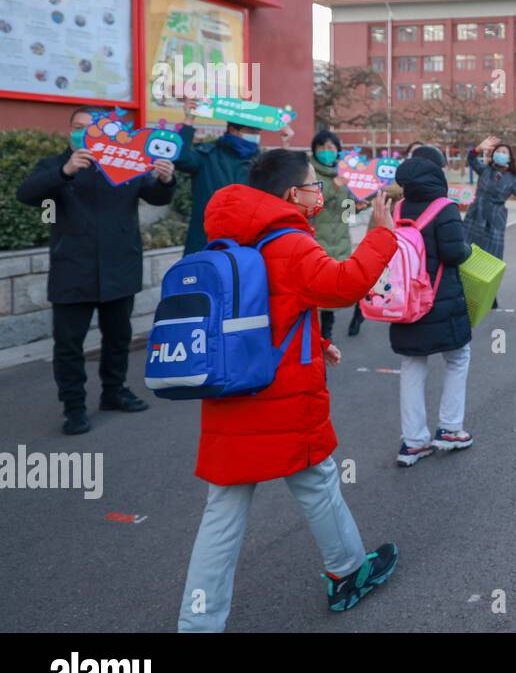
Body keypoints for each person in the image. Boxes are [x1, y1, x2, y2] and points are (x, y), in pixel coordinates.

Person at [177, 149, 400, 632]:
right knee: (318, 482)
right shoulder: (289, 244)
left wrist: (316, 342)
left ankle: (198, 623)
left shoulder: (229, 242)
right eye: (311, 186)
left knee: (223, 514)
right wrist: (381, 233)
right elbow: (345, 285)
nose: (318, 194)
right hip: (284, 400)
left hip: (231, 396)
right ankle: (346, 573)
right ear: (290, 195)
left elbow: (263, 314)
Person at [16, 106, 177, 434]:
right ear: (70, 131)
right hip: (72, 270)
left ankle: (114, 392)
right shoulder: (55, 165)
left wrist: (165, 179)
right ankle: (74, 407)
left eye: (92, 127)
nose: (85, 132)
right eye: (78, 127)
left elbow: (156, 196)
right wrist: (66, 170)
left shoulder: (123, 164)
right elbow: (28, 194)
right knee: (68, 344)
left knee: (118, 338)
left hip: (120, 267)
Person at [389, 149, 475, 464]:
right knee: (458, 357)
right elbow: (455, 254)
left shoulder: (398, 208)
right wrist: (467, 248)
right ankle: (450, 429)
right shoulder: (444, 208)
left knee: (412, 364)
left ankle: (413, 442)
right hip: (441, 299)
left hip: (404, 300)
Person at [175, 103, 293, 255]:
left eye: (258, 131)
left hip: (246, 248)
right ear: (233, 130)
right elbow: (180, 159)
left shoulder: (260, 163)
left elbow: (282, 186)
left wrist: (285, 143)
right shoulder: (208, 155)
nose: (255, 135)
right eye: (250, 130)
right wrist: (189, 120)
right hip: (206, 245)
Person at [464, 136, 516, 307]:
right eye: (498, 151)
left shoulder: (513, 179)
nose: (500, 154)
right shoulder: (484, 169)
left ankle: (488, 296)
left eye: (504, 152)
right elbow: (471, 159)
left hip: (496, 218)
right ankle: (464, 292)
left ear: (510, 158)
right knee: (466, 251)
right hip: (476, 214)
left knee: (491, 257)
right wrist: (478, 148)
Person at [309, 130, 363, 341]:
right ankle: (324, 331)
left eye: (330, 148)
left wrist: (357, 207)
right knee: (320, 288)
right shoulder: (310, 172)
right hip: (317, 239)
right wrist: (334, 186)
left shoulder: (345, 174)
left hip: (340, 240)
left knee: (338, 286)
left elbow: (347, 214)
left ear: (338, 151)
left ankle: (353, 317)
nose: (325, 152)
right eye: (321, 147)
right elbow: (312, 205)